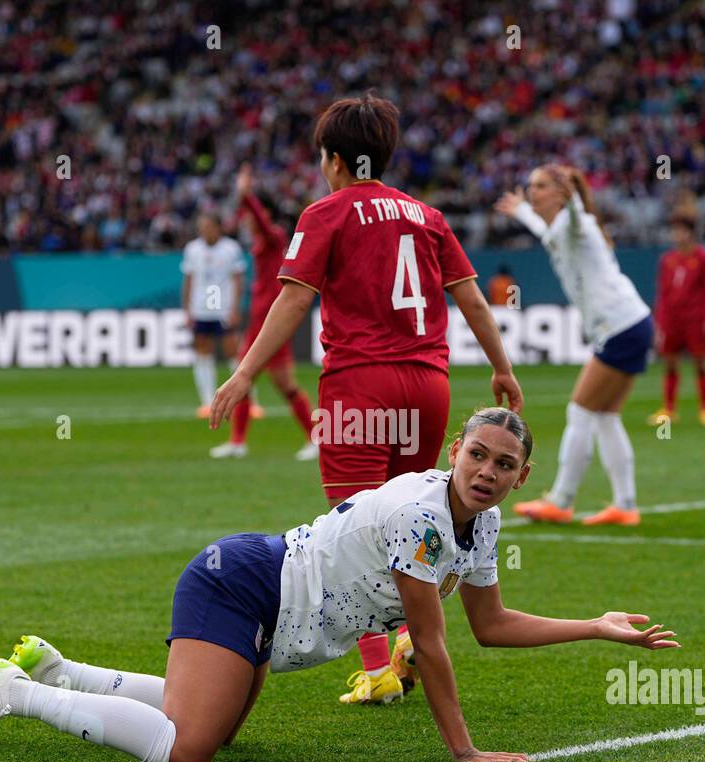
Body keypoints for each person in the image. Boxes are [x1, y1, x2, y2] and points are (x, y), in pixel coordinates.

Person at [0, 408, 679, 762]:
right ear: (455, 450)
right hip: (243, 585)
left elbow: (492, 625)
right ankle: (14, 693)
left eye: (503, 464)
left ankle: (64, 671)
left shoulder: (481, 524)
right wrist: (465, 752)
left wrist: (595, 625)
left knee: (212, 726)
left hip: (270, 605)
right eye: (477, 454)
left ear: (523, 476)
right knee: (189, 748)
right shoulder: (424, 515)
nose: (487, 471)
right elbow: (435, 646)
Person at [209, 93, 523, 706]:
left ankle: (379, 668)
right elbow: (474, 301)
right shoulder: (428, 216)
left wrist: (246, 372)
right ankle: (408, 636)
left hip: (361, 385)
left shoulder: (325, 213)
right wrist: (501, 367)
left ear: (333, 160)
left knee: (356, 531)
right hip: (429, 385)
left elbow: (295, 299)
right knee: (410, 519)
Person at [496, 165, 652, 527]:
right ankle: (625, 505)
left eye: (540, 186)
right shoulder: (564, 226)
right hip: (630, 324)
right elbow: (551, 234)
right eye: (530, 185)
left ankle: (562, 500)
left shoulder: (575, 219)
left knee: (580, 411)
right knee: (605, 417)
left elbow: (564, 226)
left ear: (561, 192)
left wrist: (530, 210)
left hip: (621, 327)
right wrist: (524, 212)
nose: (532, 192)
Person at [210, 163, 317, 460]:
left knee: (284, 385)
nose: (245, 221)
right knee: (243, 380)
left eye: (249, 215)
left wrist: (246, 196)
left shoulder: (275, 237)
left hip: (272, 323)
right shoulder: (261, 242)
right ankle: (238, 442)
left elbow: (259, 218)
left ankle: (315, 438)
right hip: (258, 321)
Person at [649, 212, 705, 427]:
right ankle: (669, 409)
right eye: (674, 230)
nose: (677, 235)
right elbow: (662, 293)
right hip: (672, 319)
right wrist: (659, 323)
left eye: (681, 230)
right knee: (669, 363)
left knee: (700, 363)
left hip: (695, 319)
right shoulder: (667, 260)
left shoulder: (704, 258)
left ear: (691, 233)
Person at [181, 212, 246, 419]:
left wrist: (235, 308)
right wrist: (187, 309)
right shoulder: (192, 249)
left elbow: (238, 279)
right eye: (201, 227)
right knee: (202, 352)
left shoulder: (231, 248)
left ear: (218, 227)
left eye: (208, 226)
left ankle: (247, 401)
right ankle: (207, 401)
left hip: (223, 308)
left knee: (232, 352)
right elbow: (189, 279)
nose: (204, 231)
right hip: (200, 308)